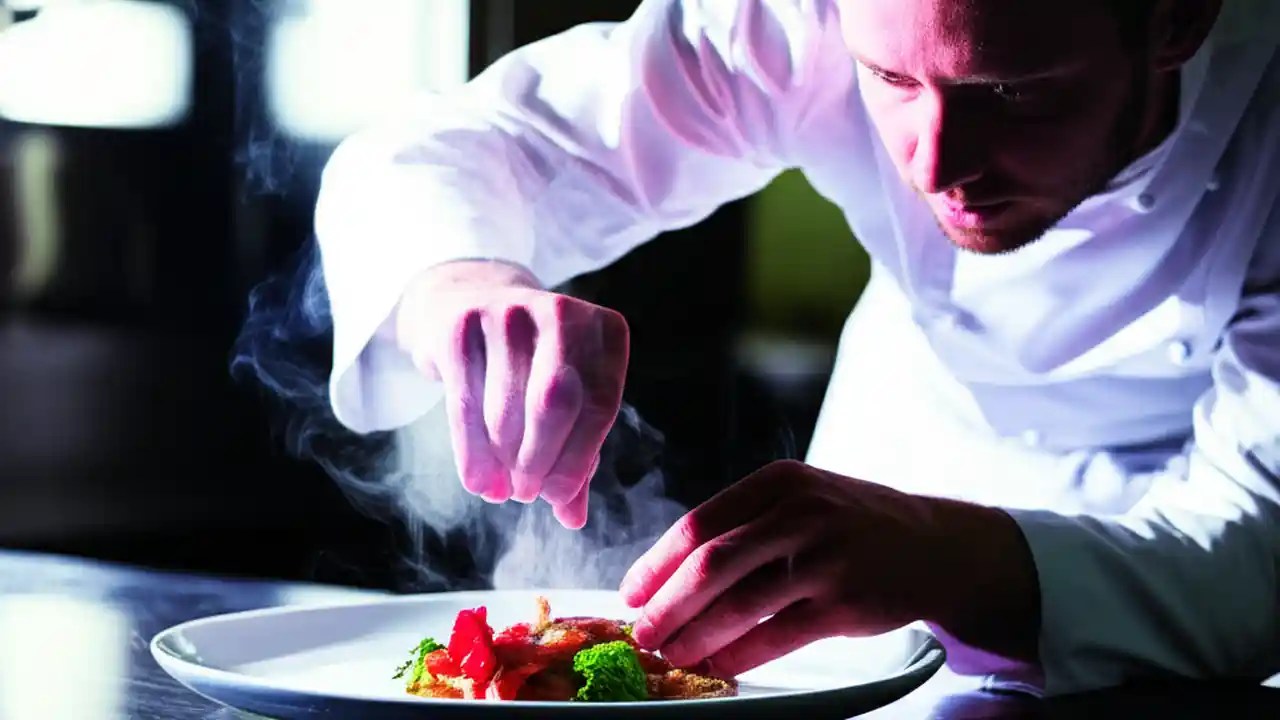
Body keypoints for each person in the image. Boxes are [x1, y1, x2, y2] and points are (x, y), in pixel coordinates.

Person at [311, 0, 1280, 697]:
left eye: (1012, 94)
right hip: (881, 497)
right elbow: (460, 144)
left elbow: (1253, 551)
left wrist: (944, 557)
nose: (934, 163)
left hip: (1175, 569)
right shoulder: (807, 20)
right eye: (892, 82)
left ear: (1173, 21)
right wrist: (460, 288)